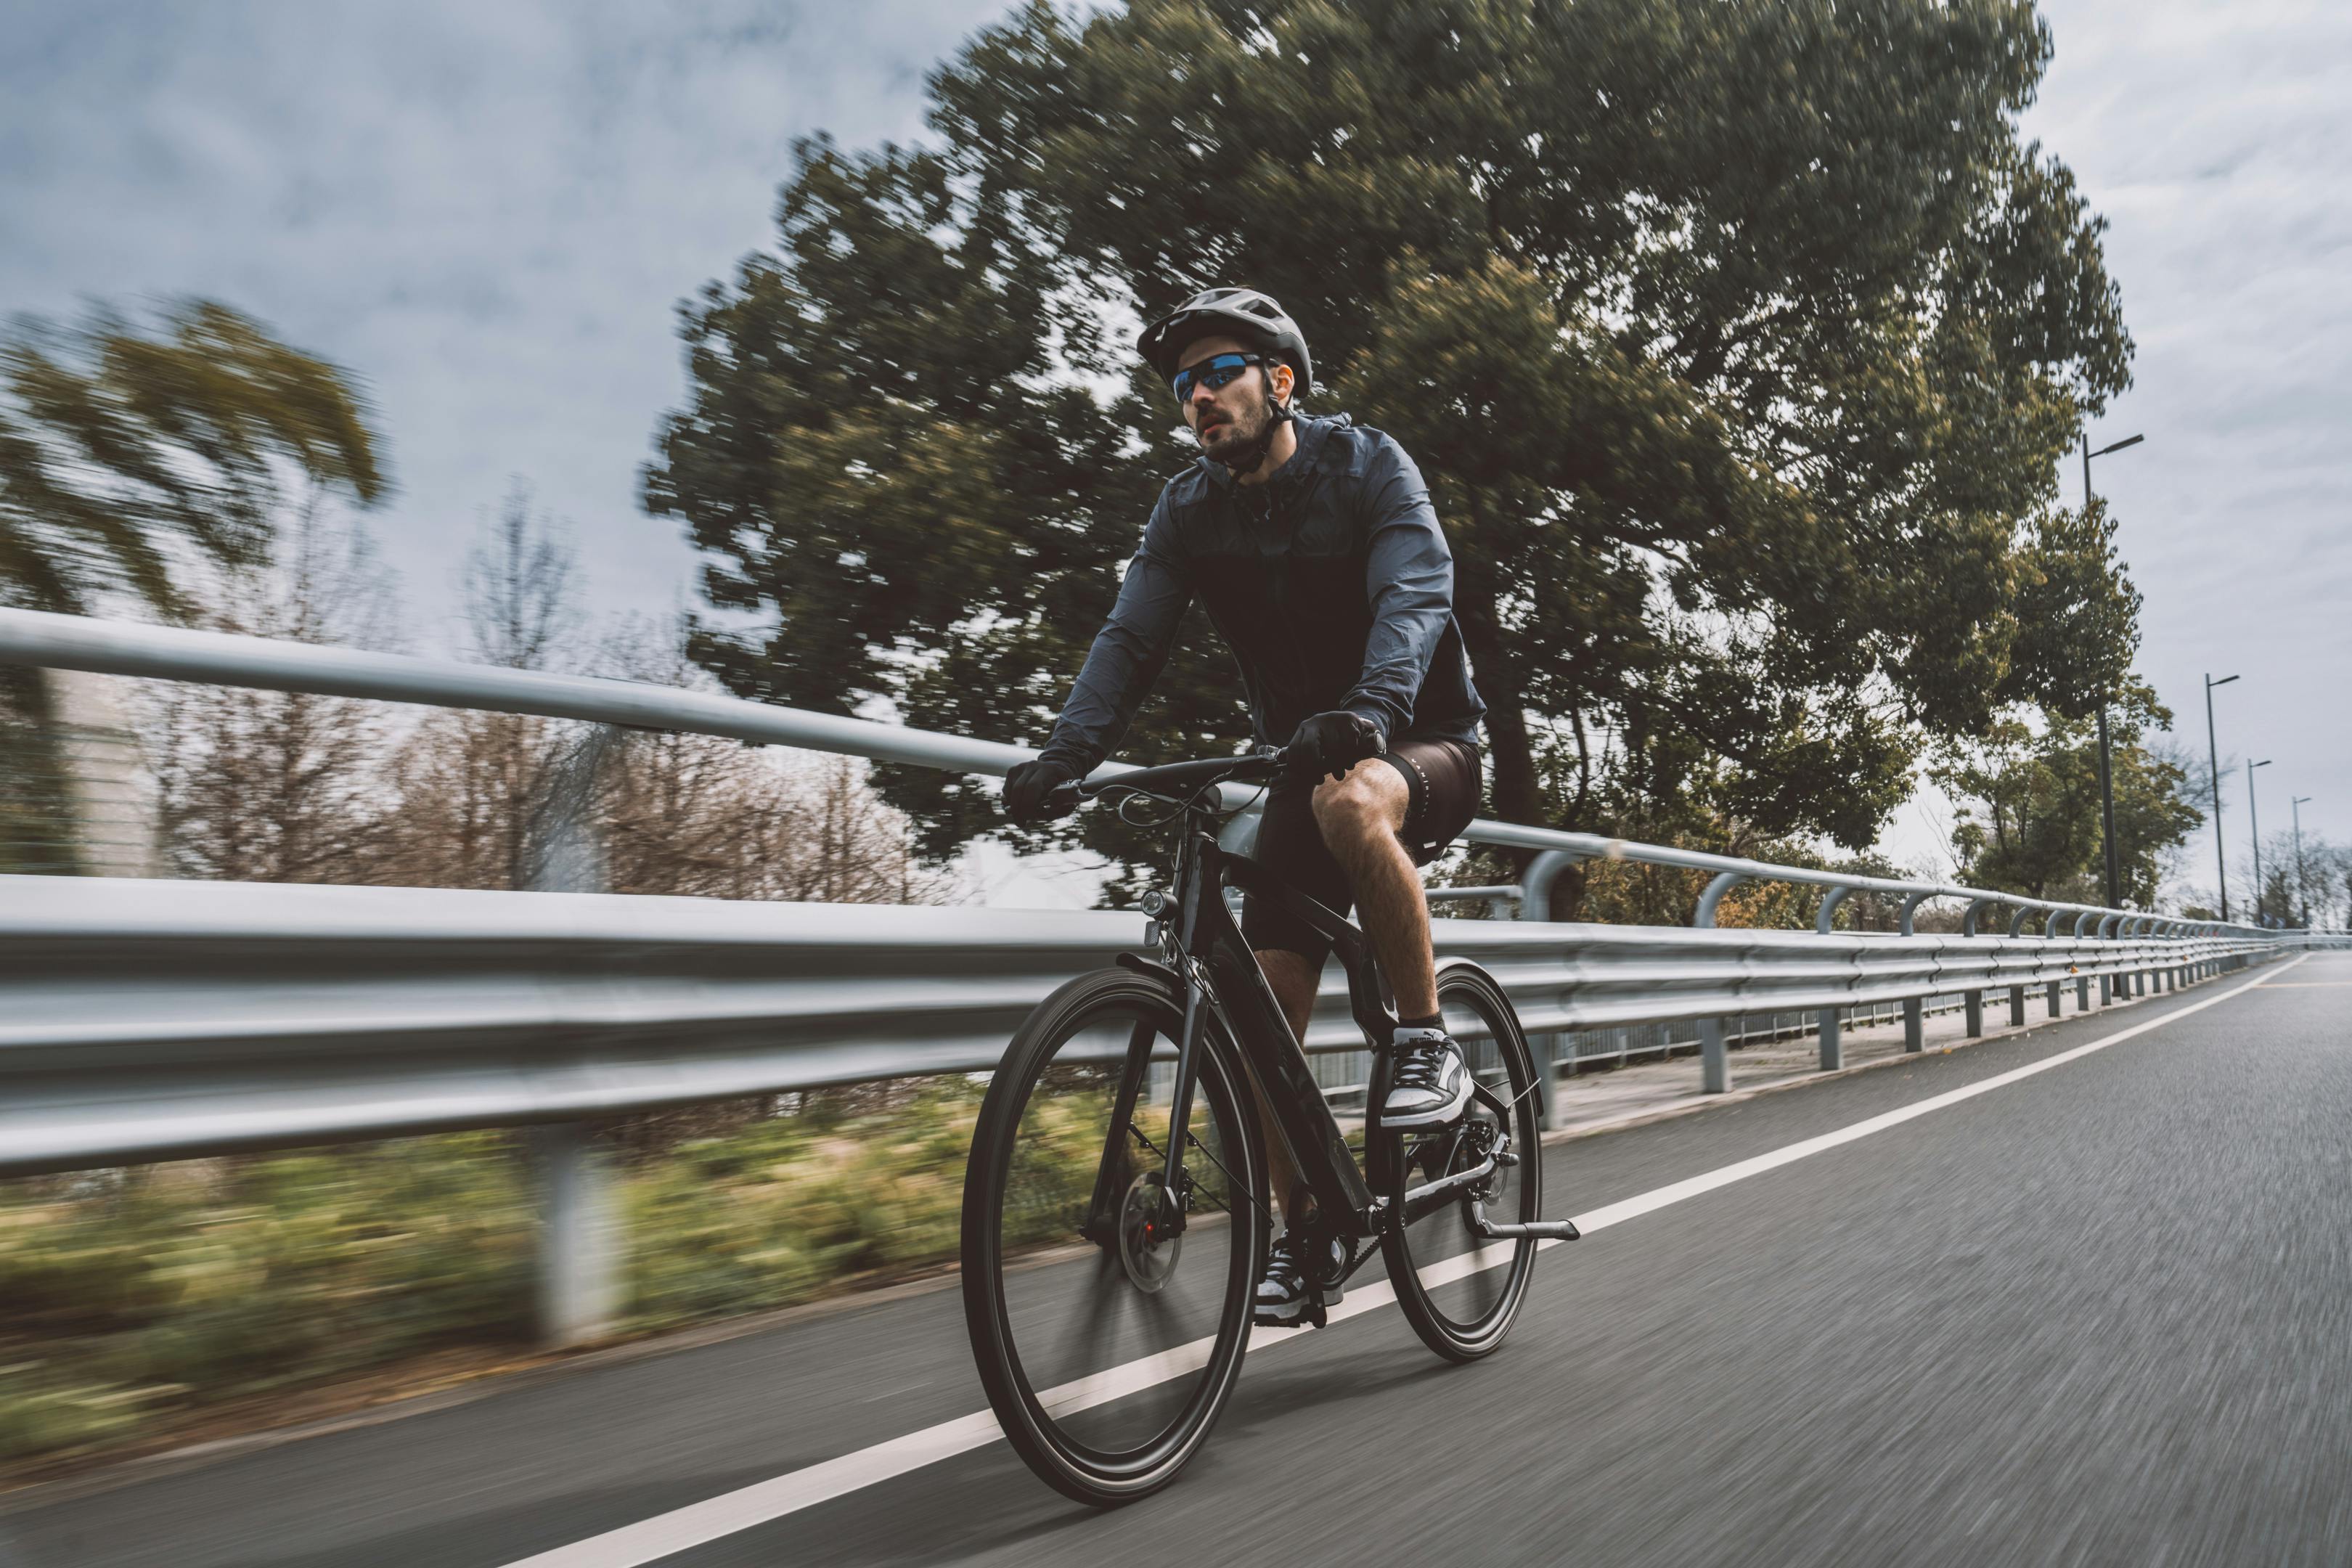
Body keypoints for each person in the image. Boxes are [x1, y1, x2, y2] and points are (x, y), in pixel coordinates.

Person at [1001, 287, 1489, 1326]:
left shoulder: (1366, 467)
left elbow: (1416, 591)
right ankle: (1305, 1228)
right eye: (1182, 386)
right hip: (1299, 762)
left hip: (1419, 737)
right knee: (1261, 1008)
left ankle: (1426, 1042)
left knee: (1355, 807)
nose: (1198, 398)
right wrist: (1068, 751)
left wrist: (1368, 712)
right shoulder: (1188, 511)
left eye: (1218, 374)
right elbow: (1130, 638)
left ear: (1281, 382)